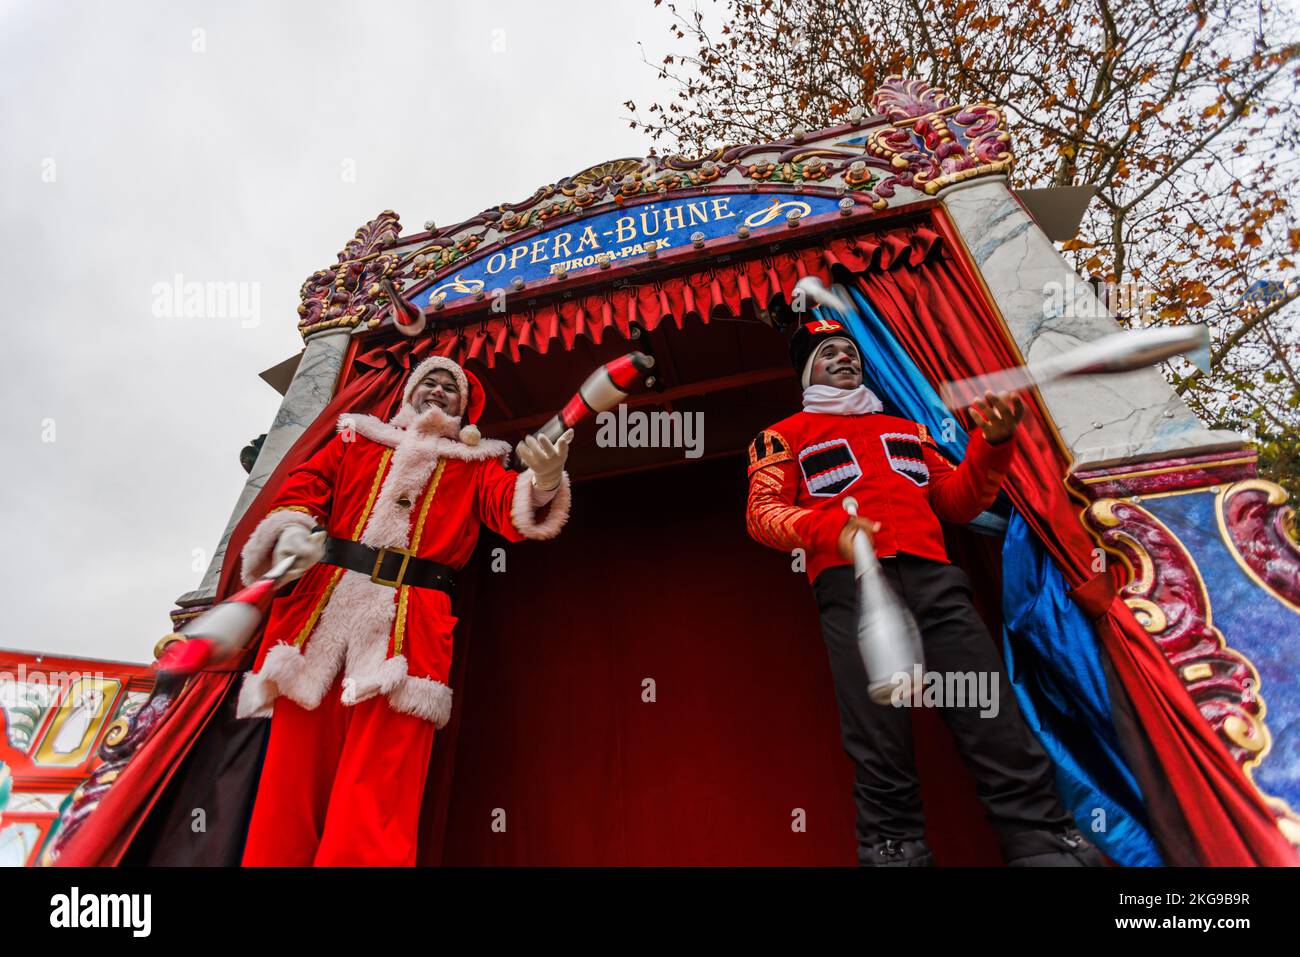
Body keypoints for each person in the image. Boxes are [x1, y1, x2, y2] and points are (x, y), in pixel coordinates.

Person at [745, 316, 1104, 867]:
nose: (845, 357)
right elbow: (763, 514)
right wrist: (827, 530)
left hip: (937, 582)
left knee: (990, 713)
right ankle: (894, 851)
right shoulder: (780, 435)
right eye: (828, 353)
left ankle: (1044, 842)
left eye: (849, 350)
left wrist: (993, 443)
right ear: (806, 370)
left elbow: (961, 502)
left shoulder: (908, 430)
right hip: (853, 587)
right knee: (879, 732)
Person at [235, 354, 573, 866]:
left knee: (380, 781)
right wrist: (294, 530)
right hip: (322, 611)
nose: (438, 391)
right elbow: (302, 490)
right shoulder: (355, 437)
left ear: (466, 407)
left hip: (408, 625)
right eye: (429, 382)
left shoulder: (479, 465)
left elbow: (512, 510)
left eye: (450, 388)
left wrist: (544, 480)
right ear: (408, 392)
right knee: (292, 776)